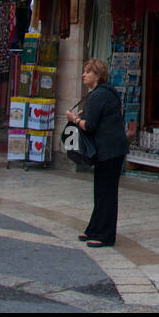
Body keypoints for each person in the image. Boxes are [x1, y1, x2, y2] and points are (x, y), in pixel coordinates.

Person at [64, 57, 126, 248]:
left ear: (97, 75)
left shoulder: (98, 95)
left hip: (108, 150)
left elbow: (89, 126)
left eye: (88, 72)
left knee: (105, 193)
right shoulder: (107, 93)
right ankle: (94, 229)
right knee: (102, 192)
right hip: (111, 149)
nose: (83, 75)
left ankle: (105, 235)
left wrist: (74, 119)